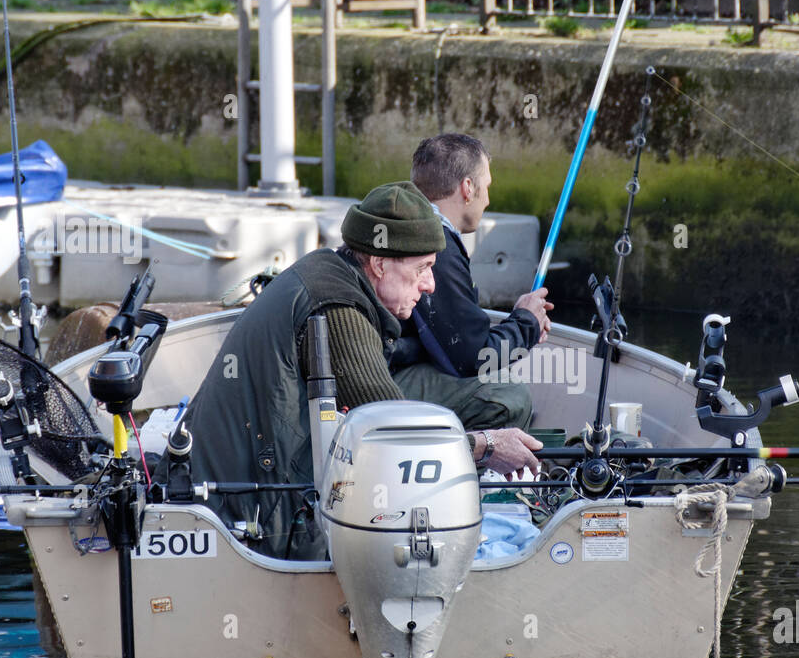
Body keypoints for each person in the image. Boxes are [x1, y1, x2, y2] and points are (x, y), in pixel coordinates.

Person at [179, 181, 541, 560]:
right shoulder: (338, 310)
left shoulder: (327, 270)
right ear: (380, 263)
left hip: (238, 484)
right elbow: (396, 442)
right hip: (259, 517)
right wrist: (487, 447)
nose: (430, 285)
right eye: (422, 268)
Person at [389, 133, 553, 430]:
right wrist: (527, 323)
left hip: (377, 366)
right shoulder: (437, 245)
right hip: (384, 379)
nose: (488, 199)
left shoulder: (401, 224)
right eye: (486, 187)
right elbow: (472, 359)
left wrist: (519, 319)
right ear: (467, 188)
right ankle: (481, 467)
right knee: (508, 396)